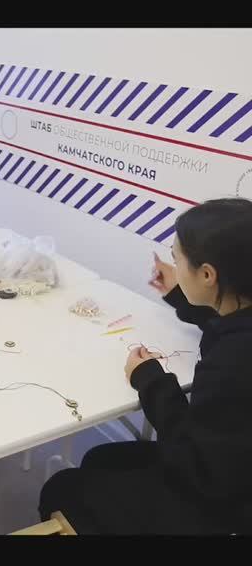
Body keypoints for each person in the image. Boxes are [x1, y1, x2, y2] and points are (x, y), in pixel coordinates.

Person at [39, 198, 252, 535]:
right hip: (228, 468)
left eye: (177, 260)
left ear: (208, 274)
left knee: (62, 488)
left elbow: (196, 462)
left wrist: (150, 380)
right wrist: (182, 293)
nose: (174, 267)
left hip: (220, 505)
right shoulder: (239, 324)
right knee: (100, 460)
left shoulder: (231, 362)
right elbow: (226, 322)